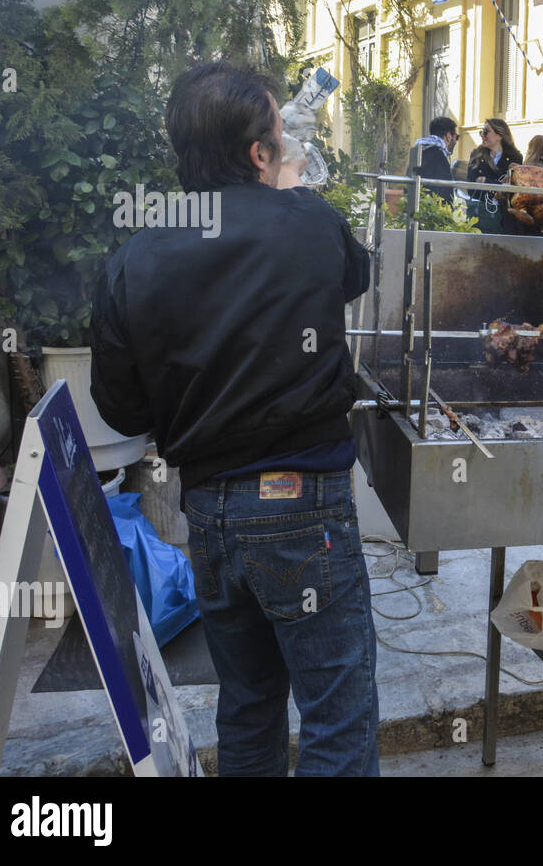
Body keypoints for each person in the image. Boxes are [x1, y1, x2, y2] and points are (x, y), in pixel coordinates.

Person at [89, 61, 378, 776]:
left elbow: (119, 408)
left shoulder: (134, 256)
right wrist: (284, 201)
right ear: (260, 153)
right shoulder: (308, 217)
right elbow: (356, 275)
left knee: (248, 708)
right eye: (280, 132)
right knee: (337, 717)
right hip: (304, 509)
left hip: (211, 516)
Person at [467, 117, 522, 234]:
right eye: (481, 132)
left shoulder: (515, 157)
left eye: (486, 132)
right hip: (481, 215)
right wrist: (499, 185)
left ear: (499, 136)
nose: (482, 135)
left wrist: (486, 182)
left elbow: (513, 190)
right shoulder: (476, 155)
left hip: (505, 218)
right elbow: (471, 187)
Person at [409, 116, 458, 203]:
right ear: (448, 136)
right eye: (456, 137)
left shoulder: (419, 151)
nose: (456, 141)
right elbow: (444, 193)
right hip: (431, 213)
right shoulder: (439, 156)